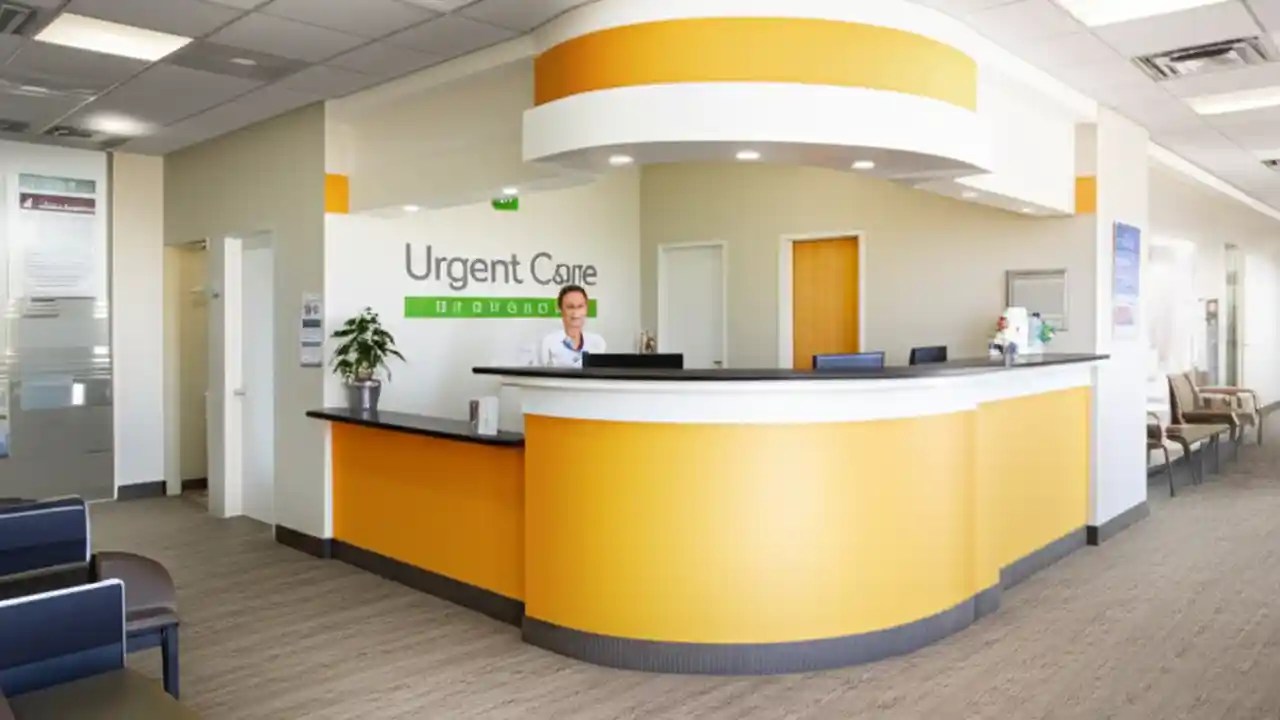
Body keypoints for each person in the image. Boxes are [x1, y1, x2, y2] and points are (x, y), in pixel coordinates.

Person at [538, 284, 606, 367]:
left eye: (580, 306)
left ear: (586, 309)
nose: (575, 312)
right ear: (560, 310)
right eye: (570, 307)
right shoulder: (548, 343)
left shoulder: (597, 342)